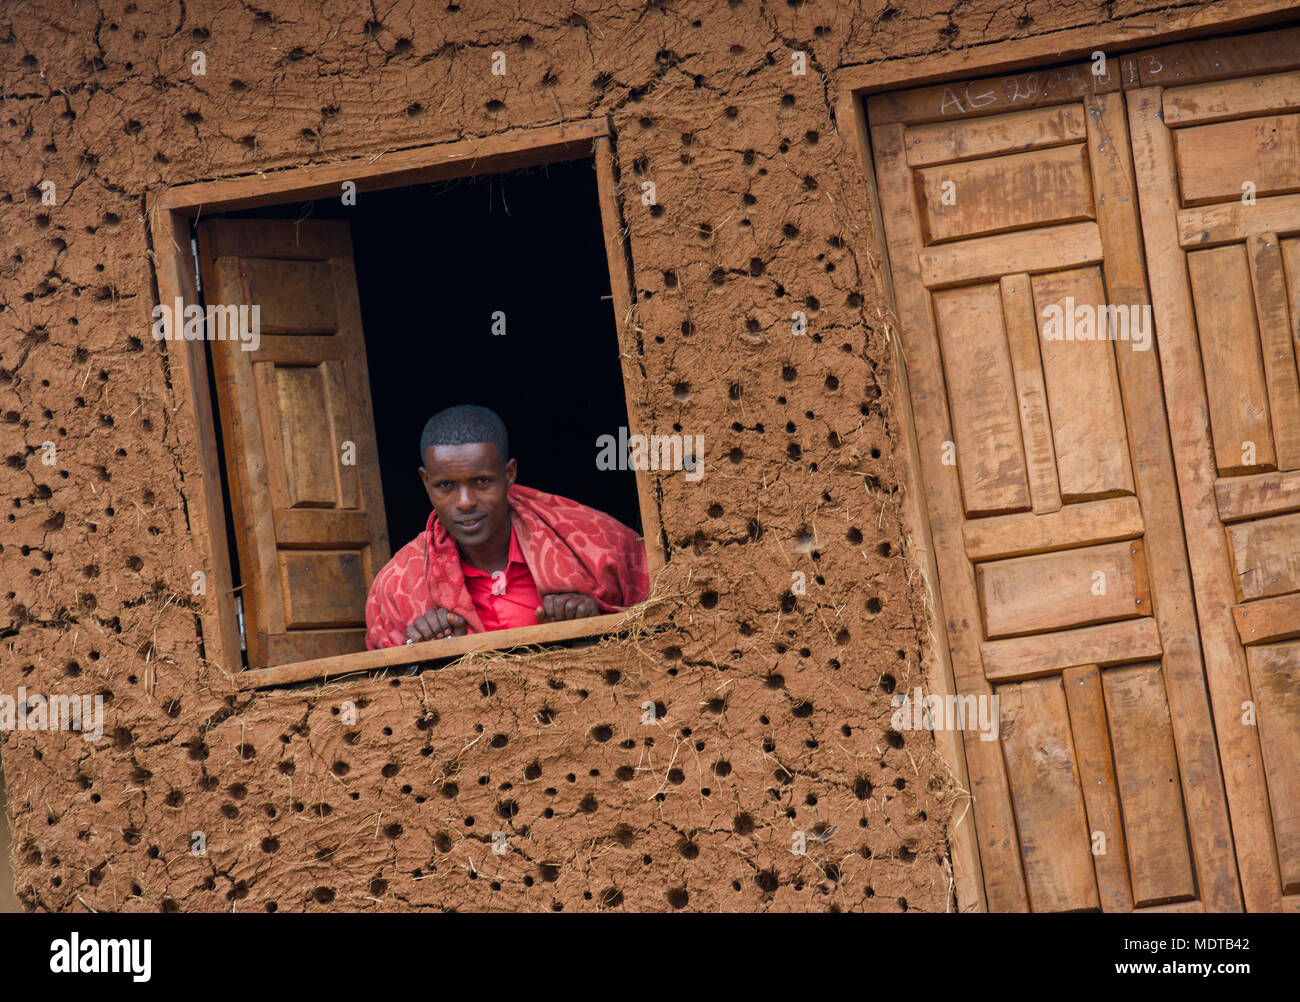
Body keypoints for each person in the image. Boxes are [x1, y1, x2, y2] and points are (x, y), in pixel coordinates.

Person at [364, 404, 649, 649]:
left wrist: (595, 624)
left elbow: (660, 625)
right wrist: (421, 652)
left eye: (482, 481)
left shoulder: (594, 545)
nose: (464, 502)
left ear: (509, 473)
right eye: (445, 485)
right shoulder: (398, 584)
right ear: (426, 482)